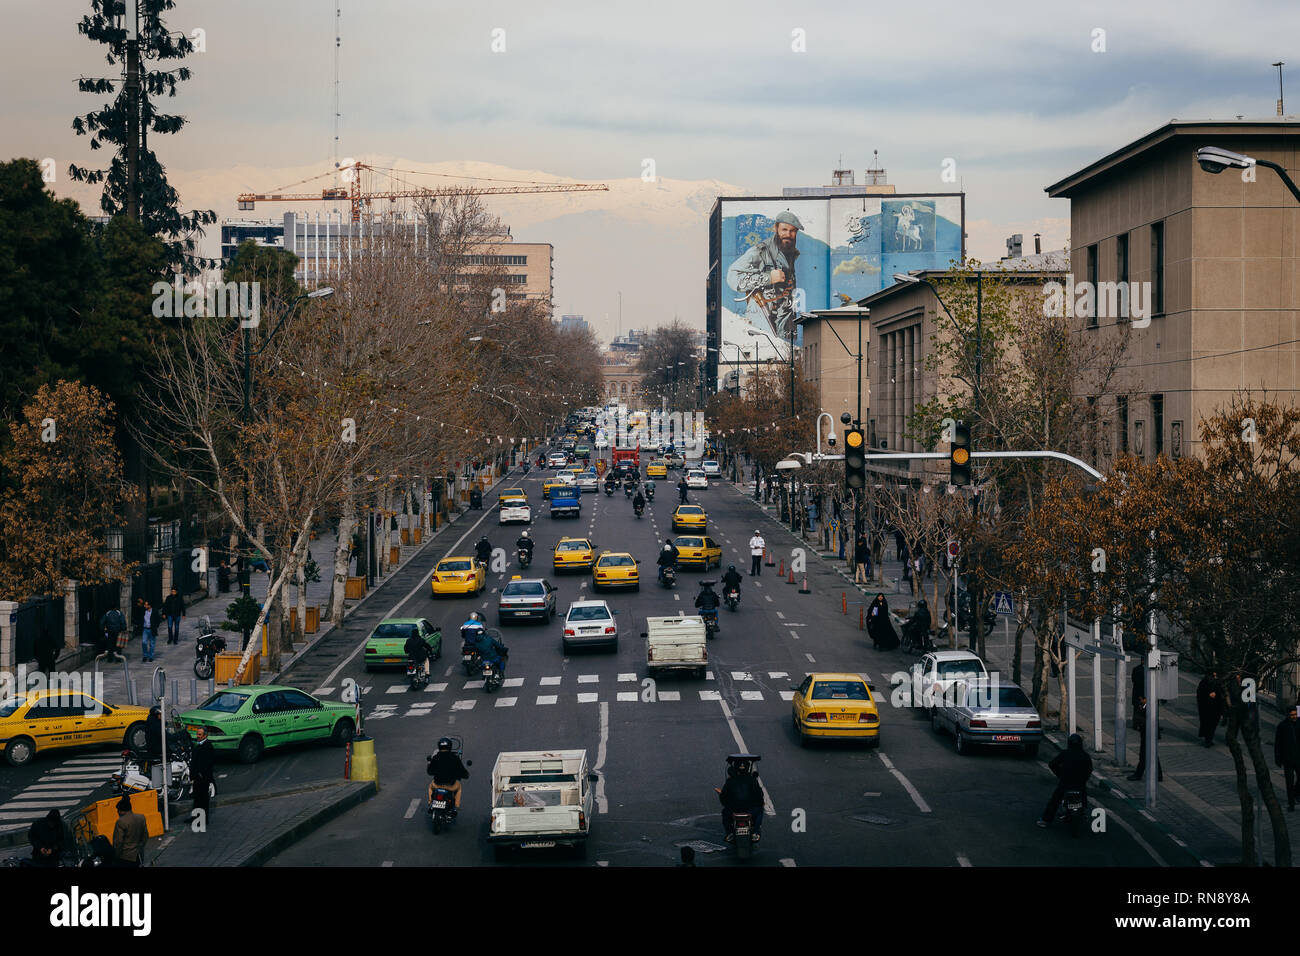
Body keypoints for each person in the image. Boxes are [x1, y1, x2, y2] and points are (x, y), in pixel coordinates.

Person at [1037, 733, 1093, 827]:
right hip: (1079, 783)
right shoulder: (1085, 756)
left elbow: (1052, 764)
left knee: (1055, 800)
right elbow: (1089, 769)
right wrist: (1084, 779)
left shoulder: (1065, 753)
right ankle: (1082, 812)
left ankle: (1045, 820)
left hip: (1066, 782)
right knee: (1083, 796)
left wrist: (1060, 774)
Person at [717, 757, 764, 841]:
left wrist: (727, 804)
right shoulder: (752, 780)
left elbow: (724, 797)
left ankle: (729, 833)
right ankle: (756, 832)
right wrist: (760, 803)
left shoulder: (730, 781)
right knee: (760, 810)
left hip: (734, 809)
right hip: (750, 809)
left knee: (725, 813)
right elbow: (759, 795)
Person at [427, 737, 470, 811]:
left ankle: (430, 801)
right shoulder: (455, 758)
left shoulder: (435, 757)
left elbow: (430, 772)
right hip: (451, 786)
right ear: (450, 746)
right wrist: (464, 775)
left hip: (437, 785)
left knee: (430, 786)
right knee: (459, 787)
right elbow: (463, 773)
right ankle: (456, 805)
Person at [1128, 694, 1163, 781]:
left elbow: (1146, 713)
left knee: (1145, 753)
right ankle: (1157, 775)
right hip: (1146, 730)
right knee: (1149, 752)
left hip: (1149, 730)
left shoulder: (1148, 703)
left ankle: (1139, 774)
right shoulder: (1146, 703)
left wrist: (1142, 705)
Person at [1275, 706, 1300, 811]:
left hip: (1299, 758)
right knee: (1289, 782)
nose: (1294, 717)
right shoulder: (1282, 726)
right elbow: (1278, 744)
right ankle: (1291, 804)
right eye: (1292, 715)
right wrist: (1278, 759)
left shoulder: (1299, 724)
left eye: (1295, 714)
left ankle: (1295, 793)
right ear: (1287, 716)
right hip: (1288, 759)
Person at [112, 796, 148, 867]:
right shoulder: (141, 817)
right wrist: (140, 847)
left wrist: (116, 856)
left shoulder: (121, 821)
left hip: (126, 856)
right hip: (138, 854)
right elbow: (145, 835)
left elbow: (118, 842)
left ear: (122, 811)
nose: (117, 813)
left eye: (118, 810)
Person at [191, 725, 215, 820]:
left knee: (203, 799)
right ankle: (196, 816)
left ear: (205, 735)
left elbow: (207, 763)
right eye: (197, 734)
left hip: (202, 778)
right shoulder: (200, 744)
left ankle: (202, 819)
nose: (198, 736)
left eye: (200, 734)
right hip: (197, 777)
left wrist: (201, 774)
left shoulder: (207, 746)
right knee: (197, 797)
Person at [1196, 669, 1225, 748]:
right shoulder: (1205, 682)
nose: (1215, 677)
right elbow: (1200, 694)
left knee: (1212, 724)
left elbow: (1222, 693)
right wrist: (1208, 694)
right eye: (1214, 675)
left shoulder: (1218, 682)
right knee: (1209, 724)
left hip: (1215, 707)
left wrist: (1217, 694)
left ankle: (1208, 739)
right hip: (1207, 707)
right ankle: (1208, 740)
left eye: (1216, 675)